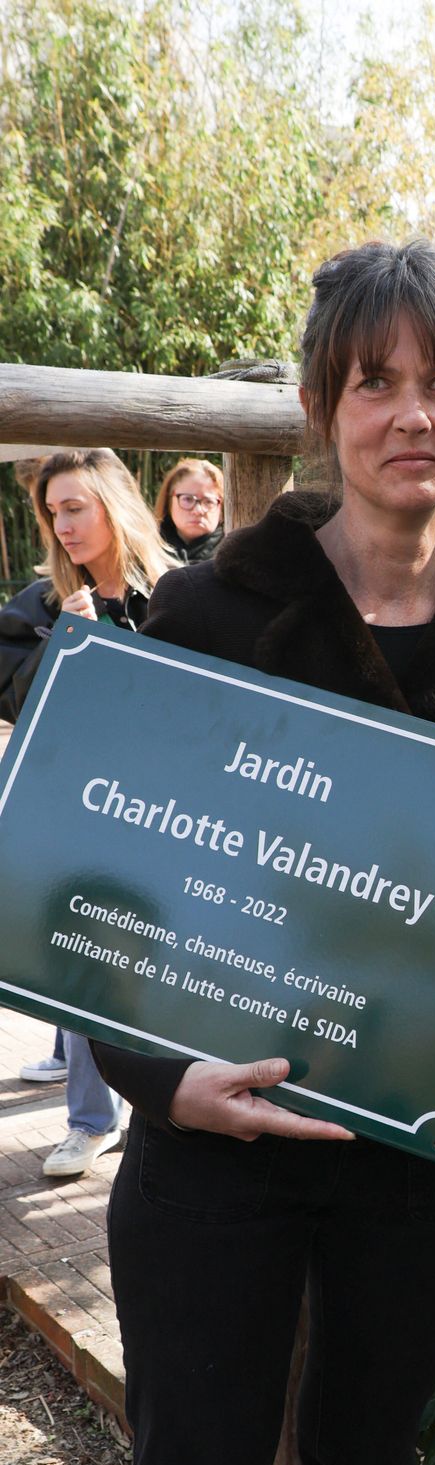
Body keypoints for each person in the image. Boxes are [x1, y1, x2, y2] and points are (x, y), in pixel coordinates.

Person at [91, 238, 435, 1465]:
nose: (414, 415)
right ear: (321, 407)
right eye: (375, 383)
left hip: (407, 1160)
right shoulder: (208, 611)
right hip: (214, 1143)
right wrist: (161, 1081)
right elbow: (102, 876)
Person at [0, 448, 177, 1176]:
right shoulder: (43, 604)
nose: (62, 525)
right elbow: (13, 699)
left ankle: (162, 1112)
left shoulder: (176, 594)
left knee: (161, 964)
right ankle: (90, 1120)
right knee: (80, 957)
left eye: (75, 507)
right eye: (52, 512)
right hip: (80, 811)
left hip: (172, 816)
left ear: (115, 505)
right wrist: (63, 648)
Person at [153, 456, 225, 563]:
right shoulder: (147, 553)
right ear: (169, 501)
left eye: (208, 502)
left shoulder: (234, 555)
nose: (198, 510)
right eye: (187, 499)